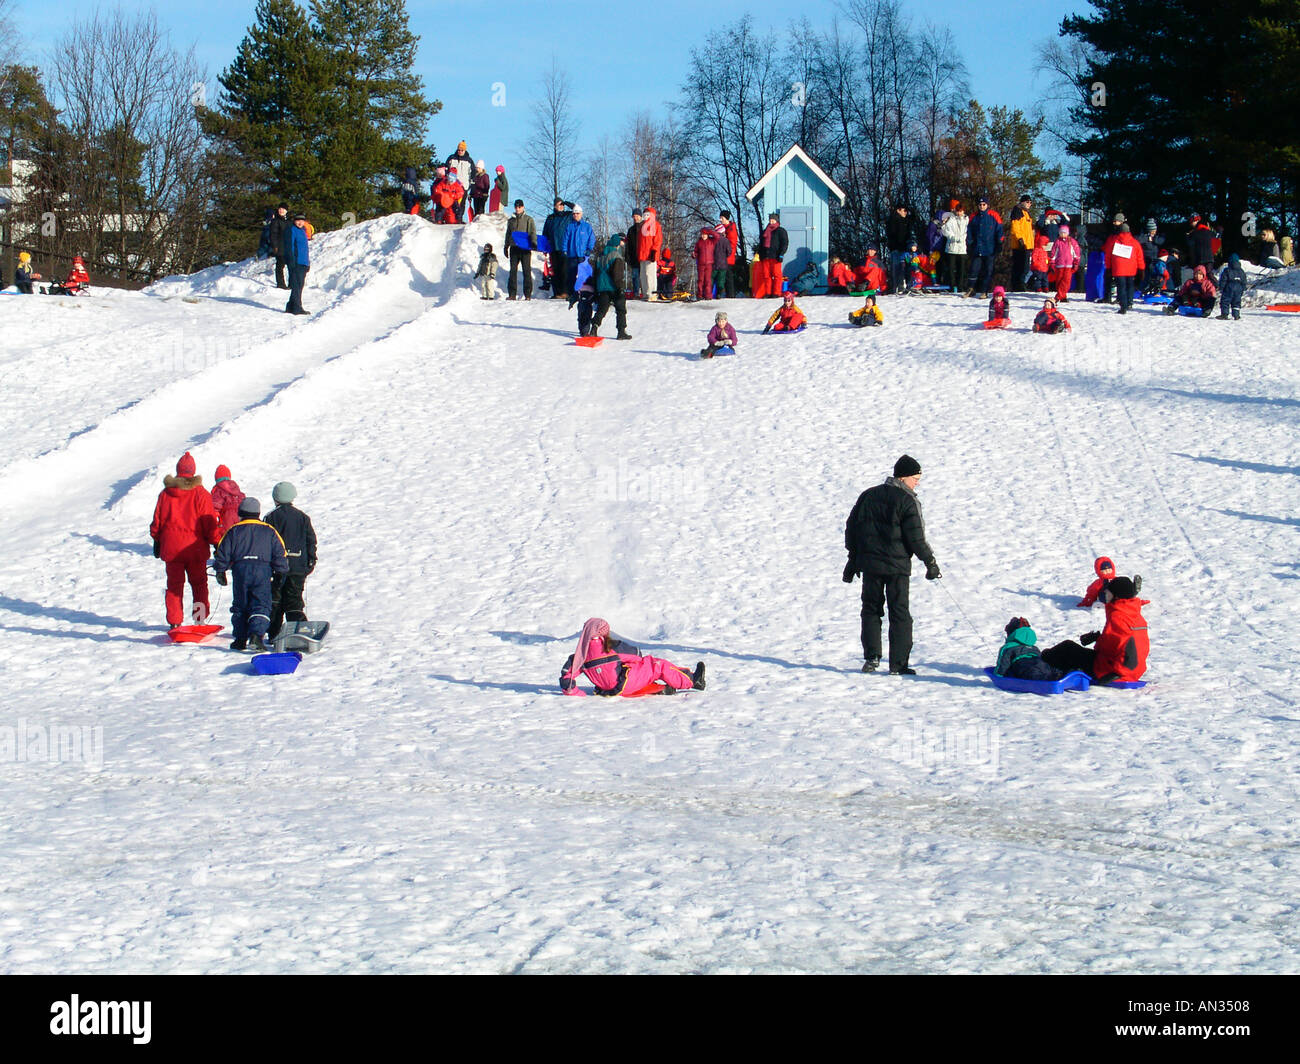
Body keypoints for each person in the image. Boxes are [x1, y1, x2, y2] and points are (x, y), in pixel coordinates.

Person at [843, 454, 941, 674]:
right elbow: (915, 538)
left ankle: (872, 659)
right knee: (899, 613)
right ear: (904, 477)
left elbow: (852, 529)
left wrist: (853, 559)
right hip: (897, 568)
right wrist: (930, 562)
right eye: (915, 478)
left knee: (870, 610)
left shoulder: (868, 495)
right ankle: (898, 665)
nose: (917, 483)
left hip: (870, 566)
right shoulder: (907, 500)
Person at [149, 451, 218, 629]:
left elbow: (157, 521)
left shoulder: (166, 494)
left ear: (178, 471)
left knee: (174, 585)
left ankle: (174, 621)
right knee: (199, 584)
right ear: (193, 471)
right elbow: (209, 523)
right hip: (195, 549)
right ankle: (200, 619)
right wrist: (217, 542)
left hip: (172, 549)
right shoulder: (201, 494)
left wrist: (157, 540)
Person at [213, 497, 289, 652]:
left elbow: (223, 552)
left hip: (240, 570)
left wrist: (220, 570)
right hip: (262, 571)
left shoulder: (234, 530)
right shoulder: (269, 530)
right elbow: (280, 553)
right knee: (261, 604)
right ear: (258, 513)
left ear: (241, 513)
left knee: (240, 604)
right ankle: (256, 635)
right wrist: (280, 572)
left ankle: (240, 639)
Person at [1041, 577, 1150, 683]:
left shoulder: (1118, 617)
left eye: (1108, 594)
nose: (1106, 597)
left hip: (1112, 672)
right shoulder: (1135, 616)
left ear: (1117, 596)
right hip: (1132, 671)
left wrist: (1116, 673)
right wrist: (1097, 638)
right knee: (1073, 652)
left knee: (1067, 648)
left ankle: (1037, 663)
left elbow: (1125, 650)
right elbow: (1121, 645)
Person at [559, 618, 704, 696]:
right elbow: (637, 655)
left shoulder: (578, 657)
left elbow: (566, 679)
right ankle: (692, 681)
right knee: (656, 665)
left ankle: (657, 689)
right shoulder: (611, 647)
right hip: (624, 684)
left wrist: (577, 693)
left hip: (609, 691)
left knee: (636, 673)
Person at [263, 481, 317, 642]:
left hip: (277, 567)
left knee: (276, 600)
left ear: (275, 498)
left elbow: (267, 542)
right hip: (299, 566)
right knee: (294, 600)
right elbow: (310, 540)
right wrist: (310, 560)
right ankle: (300, 632)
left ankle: (274, 633)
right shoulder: (303, 517)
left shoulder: (271, 517)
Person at [996, 618, 1065, 682]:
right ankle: (1061, 675)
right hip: (1039, 661)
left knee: (1031, 673)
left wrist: (998, 675)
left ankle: (1048, 678)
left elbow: (1003, 663)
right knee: (1046, 669)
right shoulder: (1034, 647)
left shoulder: (1008, 647)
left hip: (1023, 663)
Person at [592, 233, 631, 340]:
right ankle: (621, 332)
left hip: (601, 287)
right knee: (620, 309)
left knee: (602, 309)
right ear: (617, 244)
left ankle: (594, 328)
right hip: (613, 287)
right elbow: (617, 275)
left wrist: (596, 288)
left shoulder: (600, 256)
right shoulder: (616, 255)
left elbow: (595, 273)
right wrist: (620, 288)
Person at [964, 196, 1003, 298]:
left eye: (984, 204)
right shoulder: (974, 216)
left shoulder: (994, 215)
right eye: (980, 205)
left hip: (990, 249)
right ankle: (971, 289)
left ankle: (984, 291)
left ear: (987, 205)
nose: (982, 206)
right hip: (977, 248)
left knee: (988, 271)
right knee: (974, 270)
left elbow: (999, 230)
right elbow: (969, 231)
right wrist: (970, 243)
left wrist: (999, 243)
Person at [1106, 223, 1146, 314]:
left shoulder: (1114, 241)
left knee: (1121, 287)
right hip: (1131, 268)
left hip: (1118, 268)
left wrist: (1108, 267)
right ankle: (1129, 302)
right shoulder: (1135, 242)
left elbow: (1108, 256)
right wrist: (1141, 269)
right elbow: (1139, 257)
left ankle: (1123, 306)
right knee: (1130, 286)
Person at [560, 205, 596, 297]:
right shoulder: (570, 226)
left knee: (583, 276)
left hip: (582, 256)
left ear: (581, 214)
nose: (576, 215)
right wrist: (564, 250)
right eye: (574, 214)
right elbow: (565, 239)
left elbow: (591, 239)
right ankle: (571, 294)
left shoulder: (586, 227)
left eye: (577, 213)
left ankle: (585, 293)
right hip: (572, 255)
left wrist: (589, 249)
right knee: (571, 276)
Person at [503, 200, 536, 301]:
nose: (518, 209)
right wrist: (506, 246)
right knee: (513, 271)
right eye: (516, 207)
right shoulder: (511, 220)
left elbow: (532, 232)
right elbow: (508, 234)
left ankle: (527, 294)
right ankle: (512, 294)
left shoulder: (528, 219)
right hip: (514, 248)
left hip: (525, 249)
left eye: (520, 207)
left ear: (523, 207)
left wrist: (533, 242)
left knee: (526, 271)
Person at [543, 198, 574, 299]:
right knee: (555, 271)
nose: (561, 207)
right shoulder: (550, 218)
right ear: (554, 206)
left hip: (565, 248)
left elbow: (576, 209)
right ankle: (557, 292)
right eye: (559, 205)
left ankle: (565, 292)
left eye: (562, 205)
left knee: (564, 271)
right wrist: (544, 247)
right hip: (553, 248)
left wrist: (568, 203)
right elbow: (545, 233)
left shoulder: (568, 216)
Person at [753, 213, 788, 299]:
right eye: (770, 220)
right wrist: (760, 254)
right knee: (766, 276)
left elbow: (784, 243)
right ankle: (768, 292)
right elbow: (761, 244)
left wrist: (781, 254)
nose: (771, 221)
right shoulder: (765, 231)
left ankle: (776, 293)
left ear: (777, 221)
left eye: (773, 220)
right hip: (765, 256)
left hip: (775, 256)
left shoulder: (781, 231)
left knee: (777, 275)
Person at [1006, 194, 1035, 291]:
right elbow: (1015, 227)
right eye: (1027, 202)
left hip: (1027, 245)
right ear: (1022, 202)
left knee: (1025, 267)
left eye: (1030, 202)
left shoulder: (1026, 213)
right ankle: (1018, 286)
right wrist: (1020, 240)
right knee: (1020, 267)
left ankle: (1020, 285)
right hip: (1020, 245)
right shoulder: (1017, 211)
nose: (1029, 204)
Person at [284, 213, 310, 315]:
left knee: (299, 285)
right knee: (297, 285)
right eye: (298, 220)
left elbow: (305, 249)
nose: (300, 222)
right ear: (294, 221)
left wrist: (307, 263)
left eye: (302, 221)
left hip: (303, 262)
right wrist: (291, 261)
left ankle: (290, 306)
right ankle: (297, 307)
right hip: (296, 262)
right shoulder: (291, 230)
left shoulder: (303, 231)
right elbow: (289, 247)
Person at [210, 465, 246, 540]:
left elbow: (213, 510)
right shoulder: (237, 491)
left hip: (225, 529)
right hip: (241, 527)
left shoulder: (217, 491)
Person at [885, 203, 914, 293]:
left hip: (903, 249)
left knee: (905, 268)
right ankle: (897, 288)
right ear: (898, 210)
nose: (906, 213)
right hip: (897, 249)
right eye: (904, 210)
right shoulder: (894, 220)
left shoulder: (905, 221)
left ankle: (903, 287)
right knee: (898, 269)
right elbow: (894, 235)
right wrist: (898, 245)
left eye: (906, 211)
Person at [1050, 223, 1081, 302]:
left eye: (1064, 233)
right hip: (1059, 264)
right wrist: (1052, 263)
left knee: (1066, 281)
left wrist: (1076, 262)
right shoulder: (1057, 242)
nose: (1062, 234)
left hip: (1069, 265)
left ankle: (1058, 296)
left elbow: (1076, 253)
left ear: (1067, 233)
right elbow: (1053, 253)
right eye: (1061, 233)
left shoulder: (1072, 242)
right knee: (1059, 281)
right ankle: (1063, 296)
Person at [940, 204, 968, 292]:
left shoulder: (967, 220)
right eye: (958, 211)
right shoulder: (951, 219)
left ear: (964, 211)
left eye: (961, 211)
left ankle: (961, 287)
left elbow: (968, 231)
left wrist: (963, 238)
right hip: (951, 248)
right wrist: (953, 237)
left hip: (962, 249)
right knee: (951, 269)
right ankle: (952, 287)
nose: (959, 213)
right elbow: (945, 231)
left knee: (962, 270)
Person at [637, 207, 663, 300]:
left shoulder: (655, 225)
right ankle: (645, 293)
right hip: (642, 254)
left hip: (650, 254)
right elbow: (640, 242)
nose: (645, 215)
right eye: (644, 213)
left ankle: (652, 293)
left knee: (650, 274)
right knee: (643, 275)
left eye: (647, 213)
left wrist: (654, 251)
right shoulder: (642, 226)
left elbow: (658, 240)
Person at [444, 141, 473, 221]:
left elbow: (473, 172)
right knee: (451, 201)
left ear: (465, 150)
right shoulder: (451, 158)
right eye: (459, 150)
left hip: (464, 185)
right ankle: (450, 217)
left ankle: (459, 218)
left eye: (462, 150)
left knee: (462, 203)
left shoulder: (469, 160)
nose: (460, 151)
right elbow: (446, 168)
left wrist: (471, 183)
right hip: (452, 184)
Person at [1217, 253, 1247, 320]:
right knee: (1236, 302)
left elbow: (1223, 279)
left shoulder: (1227, 270)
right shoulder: (1241, 271)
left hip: (1229, 286)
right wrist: (1243, 288)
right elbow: (1244, 280)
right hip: (1238, 288)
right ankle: (1236, 315)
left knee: (1225, 301)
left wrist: (1221, 287)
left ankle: (1224, 314)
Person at [692, 226, 719, 300]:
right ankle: (700, 295)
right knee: (700, 280)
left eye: (705, 234)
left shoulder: (711, 241)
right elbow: (696, 252)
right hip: (700, 264)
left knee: (708, 280)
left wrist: (709, 231)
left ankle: (708, 295)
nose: (703, 236)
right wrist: (694, 255)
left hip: (709, 263)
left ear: (707, 235)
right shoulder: (698, 243)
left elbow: (717, 236)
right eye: (702, 234)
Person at [719, 210, 739, 297]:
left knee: (728, 276)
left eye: (722, 218)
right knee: (724, 276)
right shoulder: (723, 228)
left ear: (726, 218)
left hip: (728, 256)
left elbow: (732, 243)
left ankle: (730, 295)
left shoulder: (731, 229)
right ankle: (727, 294)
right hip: (723, 256)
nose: (720, 220)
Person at [269, 204, 290, 289]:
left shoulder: (288, 221)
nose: (281, 210)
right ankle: (281, 284)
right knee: (280, 266)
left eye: (283, 209)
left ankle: (291, 283)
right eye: (280, 209)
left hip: (288, 246)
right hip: (280, 247)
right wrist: (275, 246)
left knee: (291, 265)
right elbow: (273, 235)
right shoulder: (275, 221)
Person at [625, 209, 644, 299]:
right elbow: (628, 244)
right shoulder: (631, 230)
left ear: (640, 216)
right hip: (634, 257)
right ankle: (636, 293)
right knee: (635, 276)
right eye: (634, 216)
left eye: (637, 216)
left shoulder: (644, 228)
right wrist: (627, 256)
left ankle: (645, 292)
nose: (635, 218)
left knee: (644, 276)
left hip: (643, 257)